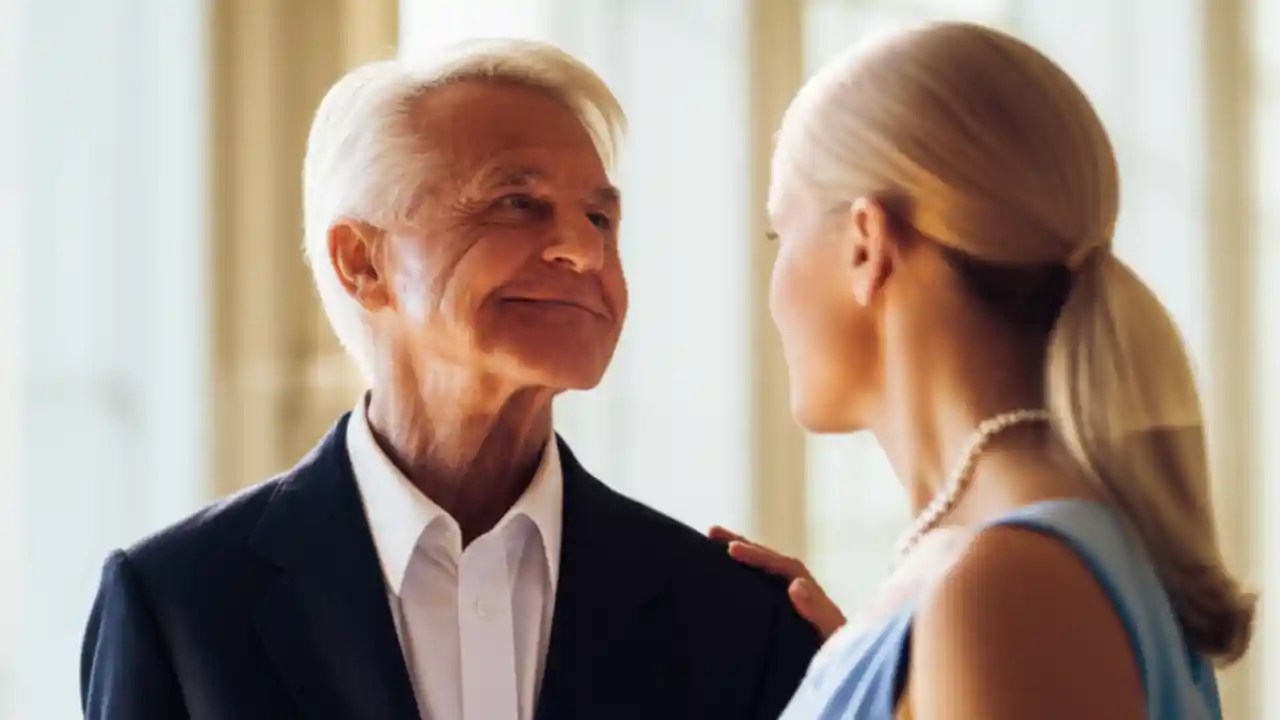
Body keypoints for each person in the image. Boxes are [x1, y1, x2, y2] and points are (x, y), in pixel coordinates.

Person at [80, 39, 820, 720]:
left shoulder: (737, 616)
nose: (583, 252)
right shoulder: (178, 605)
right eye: (515, 203)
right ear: (360, 262)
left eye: (599, 218)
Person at [716, 22, 1255, 719]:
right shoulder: (1013, 573)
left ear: (865, 245)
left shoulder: (1013, 586)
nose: (774, 285)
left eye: (778, 234)